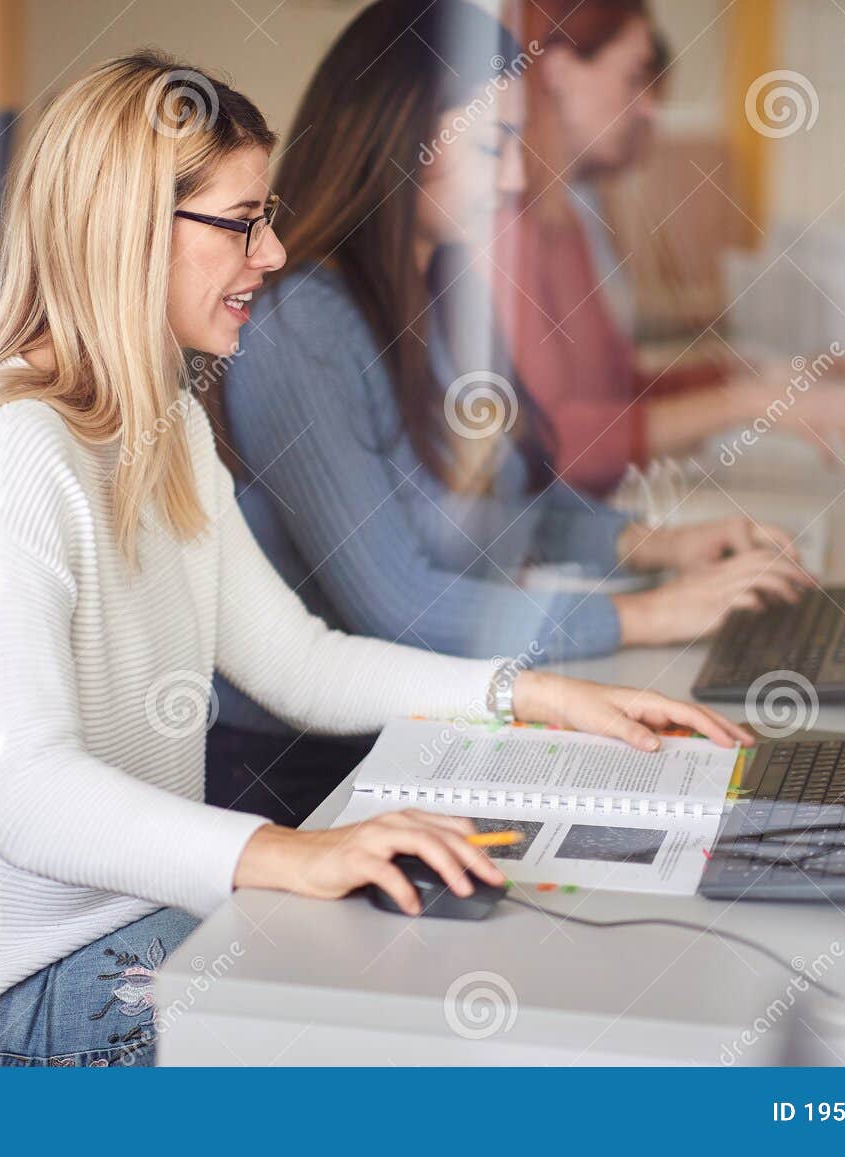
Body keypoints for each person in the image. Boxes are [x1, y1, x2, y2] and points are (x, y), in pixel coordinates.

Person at [0, 50, 753, 1069]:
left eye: (264, 218)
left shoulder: (166, 424)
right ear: (127, 227)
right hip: (9, 991)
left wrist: (533, 695)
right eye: (241, 222)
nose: (271, 253)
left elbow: (298, 660)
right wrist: (290, 853)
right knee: (384, 1036)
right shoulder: (8, 448)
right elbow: (30, 792)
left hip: (121, 922)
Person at [206, 0, 806, 826]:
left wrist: (659, 545)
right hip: (300, 768)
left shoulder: (440, 286)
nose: (517, 180)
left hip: (422, 717)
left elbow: (511, 501)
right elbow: (398, 606)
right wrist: (647, 613)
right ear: (400, 141)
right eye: (493, 148)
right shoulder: (300, 323)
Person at [499, 0, 845, 493]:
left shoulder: (562, 221)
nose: (650, 107)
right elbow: (559, 447)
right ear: (558, 71)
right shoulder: (507, 225)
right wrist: (744, 401)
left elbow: (618, 396)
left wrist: (757, 378)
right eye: (633, 78)